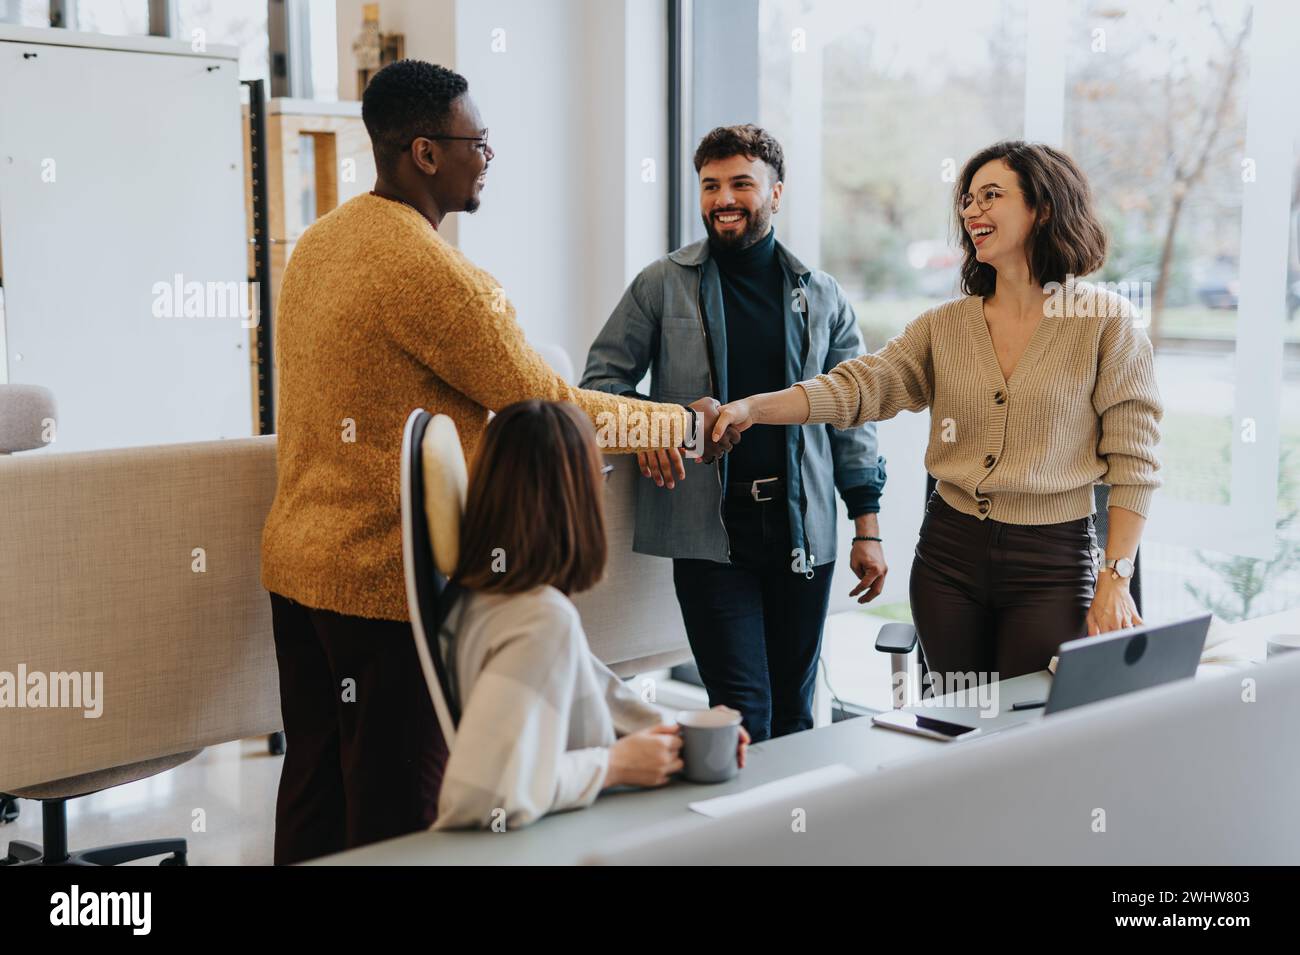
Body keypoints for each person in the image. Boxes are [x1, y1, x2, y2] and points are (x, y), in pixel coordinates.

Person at [259, 60, 734, 865]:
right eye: (477, 141)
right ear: (425, 153)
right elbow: (544, 403)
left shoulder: (320, 241)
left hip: (298, 566)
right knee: (397, 818)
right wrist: (677, 425)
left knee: (313, 793)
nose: (487, 157)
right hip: (383, 579)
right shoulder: (431, 272)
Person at [713, 140, 1164, 684]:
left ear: (1043, 207)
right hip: (949, 559)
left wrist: (1117, 575)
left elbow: (1134, 462)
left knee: (1026, 729)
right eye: (967, 200)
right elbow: (861, 387)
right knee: (955, 723)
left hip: (1052, 562)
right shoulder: (946, 325)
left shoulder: (1105, 321)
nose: (971, 211)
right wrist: (753, 408)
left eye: (990, 196)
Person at [581, 125, 888, 742]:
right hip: (706, 537)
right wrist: (657, 426)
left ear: (777, 192)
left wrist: (868, 530)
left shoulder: (822, 295)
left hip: (806, 536)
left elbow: (852, 418)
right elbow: (598, 387)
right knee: (742, 711)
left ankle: (791, 835)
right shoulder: (660, 284)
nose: (724, 197)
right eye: (711, 185)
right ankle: (742, 833)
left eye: (741, 183)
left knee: (797, 715)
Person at [434, 400, 749, 830]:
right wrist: (614, 765)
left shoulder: (479, 596)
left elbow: (599, 692)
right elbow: (481, 796)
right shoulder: (539, 621)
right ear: (572, 500)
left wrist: (681, 735)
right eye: (598, 479)